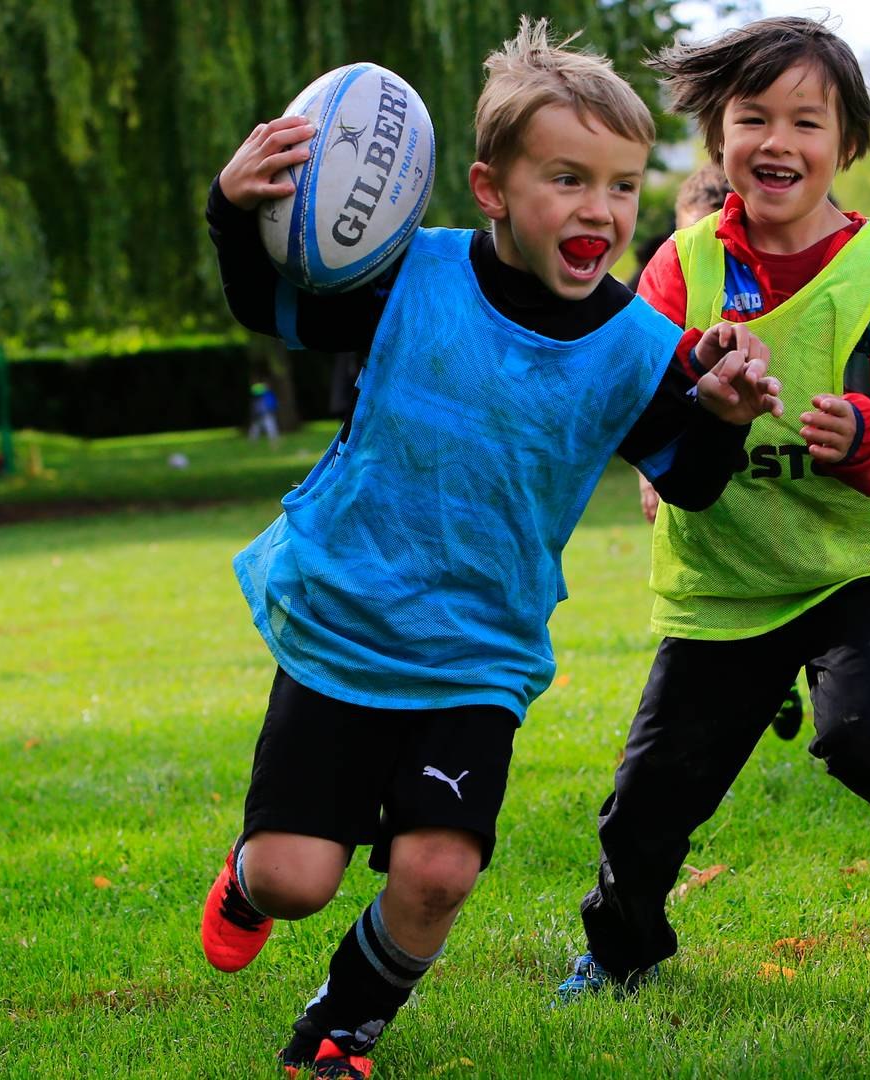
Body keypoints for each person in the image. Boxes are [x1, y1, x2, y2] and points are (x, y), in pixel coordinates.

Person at [198, 19, 784, 1078]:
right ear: (489, 187)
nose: (599, 210)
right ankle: (245, 885)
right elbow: (271, 308)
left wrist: (725, 416)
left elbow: (687, 479)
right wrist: (235, 214)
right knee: (294, 879)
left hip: (477, 654)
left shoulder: (638, 347)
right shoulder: (401, 280)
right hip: (344, 626)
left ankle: (341, 1035)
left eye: (620, 186)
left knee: (439, 871)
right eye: (567, 179)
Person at [555, 15, 870, 1002]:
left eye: (807, 122)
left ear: (845, 145)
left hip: (852, 565)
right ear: (718, 137)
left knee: (857, 734)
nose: (777, 142)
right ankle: (620, 948)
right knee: (646, 806)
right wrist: (687, 409)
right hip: (726, 580)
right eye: (752, 117)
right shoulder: (683, 267)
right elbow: (628, 392)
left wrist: (865, 432)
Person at [635, 163, 734, 526]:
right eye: (687, 233)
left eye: (711, 236)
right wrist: (647, 476)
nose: (698, 246)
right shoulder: (664, 282)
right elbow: (645, 388)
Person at [246, 379, 282, 446]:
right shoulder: (257, 396)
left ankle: (274, 441)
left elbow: (273, 405)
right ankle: (252, 443)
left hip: (267, 414)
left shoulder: (268, 395)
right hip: (258, 415)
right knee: (255, 429)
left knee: (271, 428)